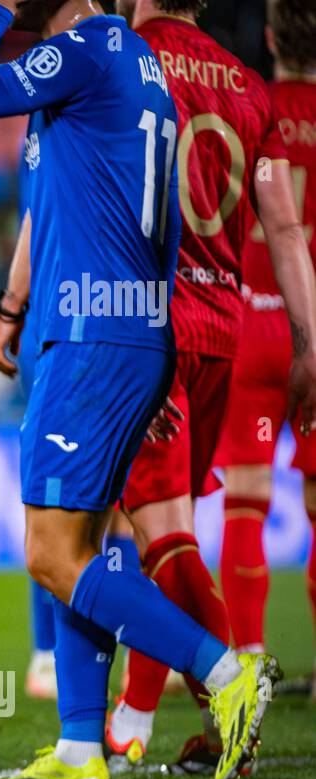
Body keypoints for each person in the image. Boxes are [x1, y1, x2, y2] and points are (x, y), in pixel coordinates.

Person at [0, 0, 305, 779]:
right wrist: (155, 338)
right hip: (139, 330)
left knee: (49, 552)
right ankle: (79, 746)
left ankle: (224, 672)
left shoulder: (89, 49)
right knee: (91, 539)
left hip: (92, 336)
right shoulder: (142, 67)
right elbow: (167, 218)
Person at [106, 0, 316, 774]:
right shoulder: (248, 87)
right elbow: (286, 229)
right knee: (166, 532)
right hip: (225, 333)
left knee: (156, 537)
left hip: (151, 325)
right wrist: (309, 344)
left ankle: (231, 694)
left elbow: (127, 201)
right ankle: (133, 718)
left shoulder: (129, 57)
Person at [213, 0, 316, 703]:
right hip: (312, 332)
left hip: (249, 326)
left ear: (273, 36)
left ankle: (249, 668)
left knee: (244, 506)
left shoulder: (249, 102)